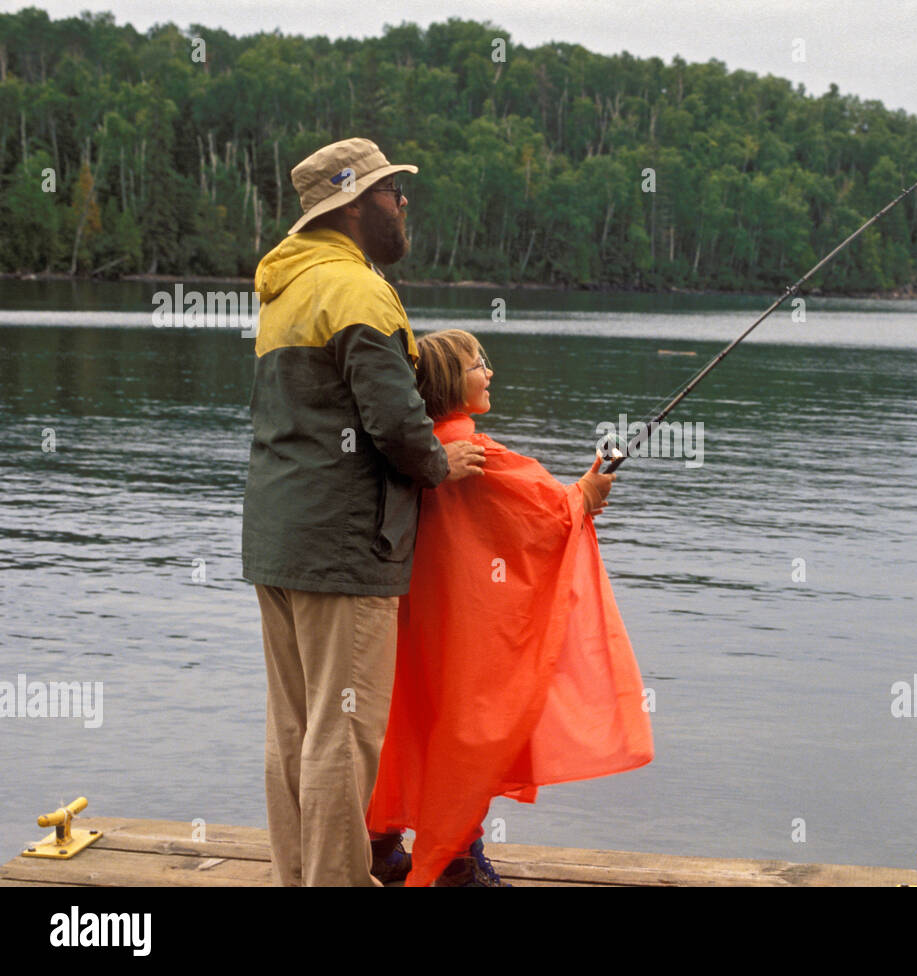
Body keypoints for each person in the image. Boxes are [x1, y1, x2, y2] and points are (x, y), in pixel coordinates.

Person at [241, 138, 486, 886]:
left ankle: (302, 877)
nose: (402, 203)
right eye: (391, 193)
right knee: (343, 734)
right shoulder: (356, 291)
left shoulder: (289, 288)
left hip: (277, 541)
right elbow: (395, 423)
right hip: (345, 546)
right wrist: (442, 465)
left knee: (295, 730)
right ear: (352, 206)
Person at [365, 329, 654, 887]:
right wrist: (590, 491)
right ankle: (455, 860)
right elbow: (549, 512)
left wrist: (580, 494)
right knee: (468, 729)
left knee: (411, 721)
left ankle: (381, 842)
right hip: (464, 628)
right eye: (480, 363)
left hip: (411, 619)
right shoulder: (476, 455)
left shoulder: (413, 452)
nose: (490, 373)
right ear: (453, 380)